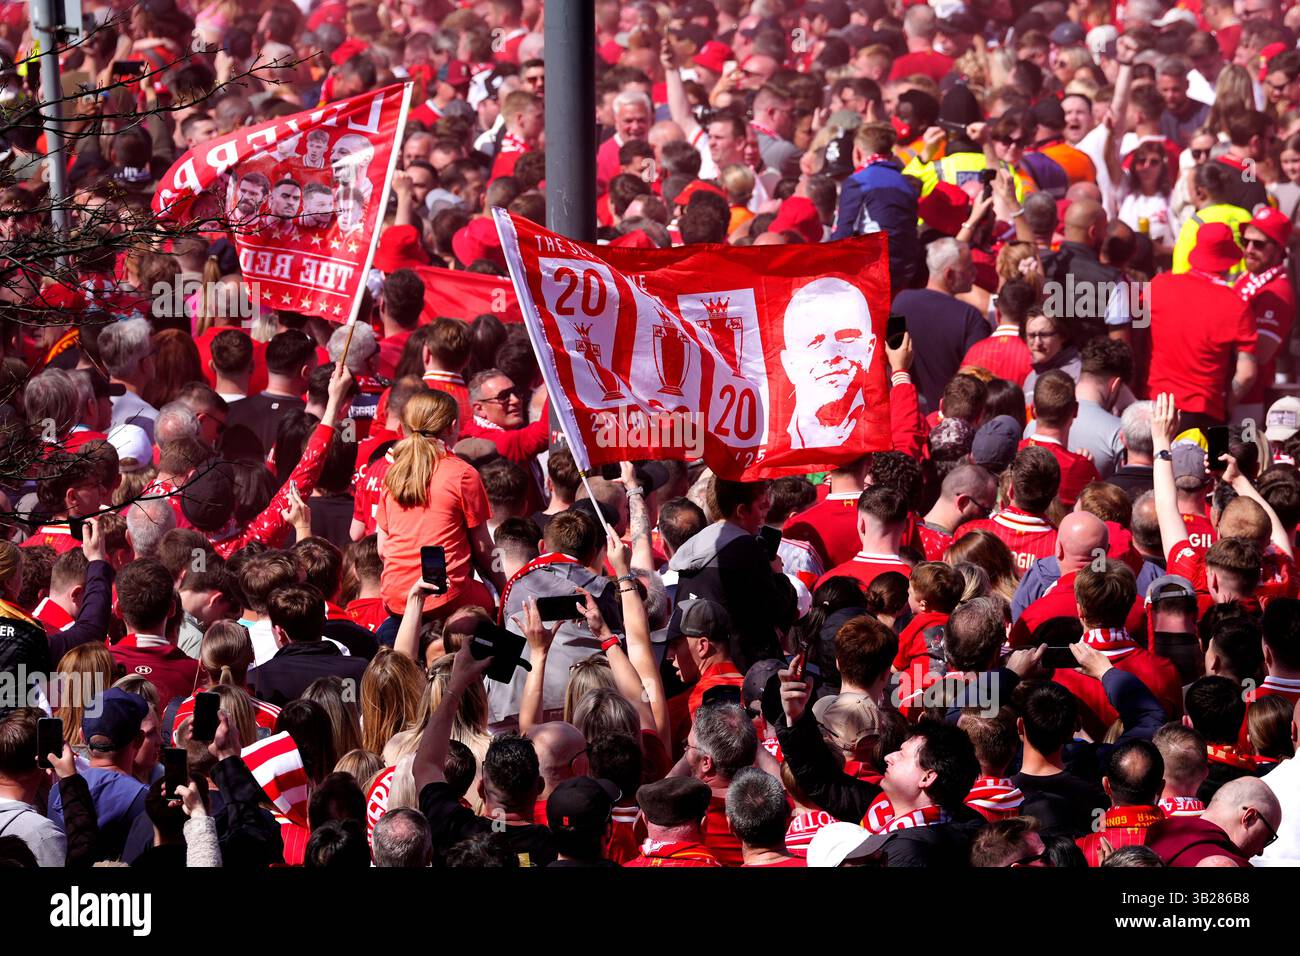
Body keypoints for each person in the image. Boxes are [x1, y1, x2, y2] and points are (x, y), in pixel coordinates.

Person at [891, 238, 989, 411]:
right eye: (968, 268)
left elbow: (890, 361)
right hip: (952, 417)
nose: (975, 273)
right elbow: (978, 379)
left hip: (905, 408)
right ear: (949, 274)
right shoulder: (970, 318)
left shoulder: (900, 303)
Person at [1146, 776, 1281, 866]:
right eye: (1267, 838)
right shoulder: (1231, 864)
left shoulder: (1153, 834)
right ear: (1249, 818)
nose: (1260, 852)